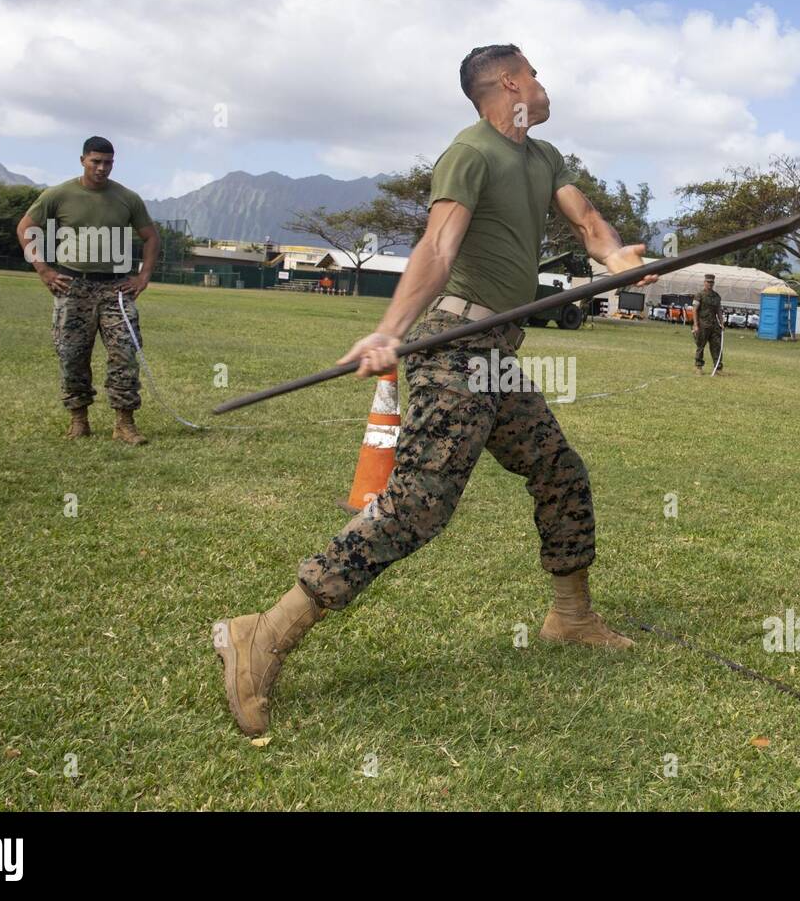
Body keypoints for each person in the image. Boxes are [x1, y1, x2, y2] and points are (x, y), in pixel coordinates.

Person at [213, 44, 655, 737]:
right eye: (534, 73)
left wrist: (617, 256)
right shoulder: (470, 152)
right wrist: (389, 329)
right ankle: (261, 635)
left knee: (560, 472)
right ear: (509, 84)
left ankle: (571, 618)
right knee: (417, 504)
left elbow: (587, 221)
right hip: (455, 347)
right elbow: (438, 247)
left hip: (496, 357)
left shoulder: (543, 159)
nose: (543, 85)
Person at [16, 136, 159, 444]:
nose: (102, 168)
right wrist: (43, 269)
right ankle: (78, 419)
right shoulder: (58, 195)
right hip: (73, 286)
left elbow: (151, 237)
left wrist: (142, 276)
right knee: (72, 355)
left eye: (108, 162)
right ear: (82, 160)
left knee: (125, 353)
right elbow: (25, 228)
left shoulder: (127, 198)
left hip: (116, 289)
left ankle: (124, 424)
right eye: (96, 161)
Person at [693, 274, 724, 375]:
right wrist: (696, 325)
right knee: (700, 346)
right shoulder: (699, 295)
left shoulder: (716, 296)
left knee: (716, 346)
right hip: (702, 324)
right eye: (708, 282)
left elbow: (719, 310)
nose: (710, 284)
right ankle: (699, 367)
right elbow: (694, 310)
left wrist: (721, 322)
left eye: (712, 282)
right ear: (704, 282)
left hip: (714, 325)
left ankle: (717, 368)